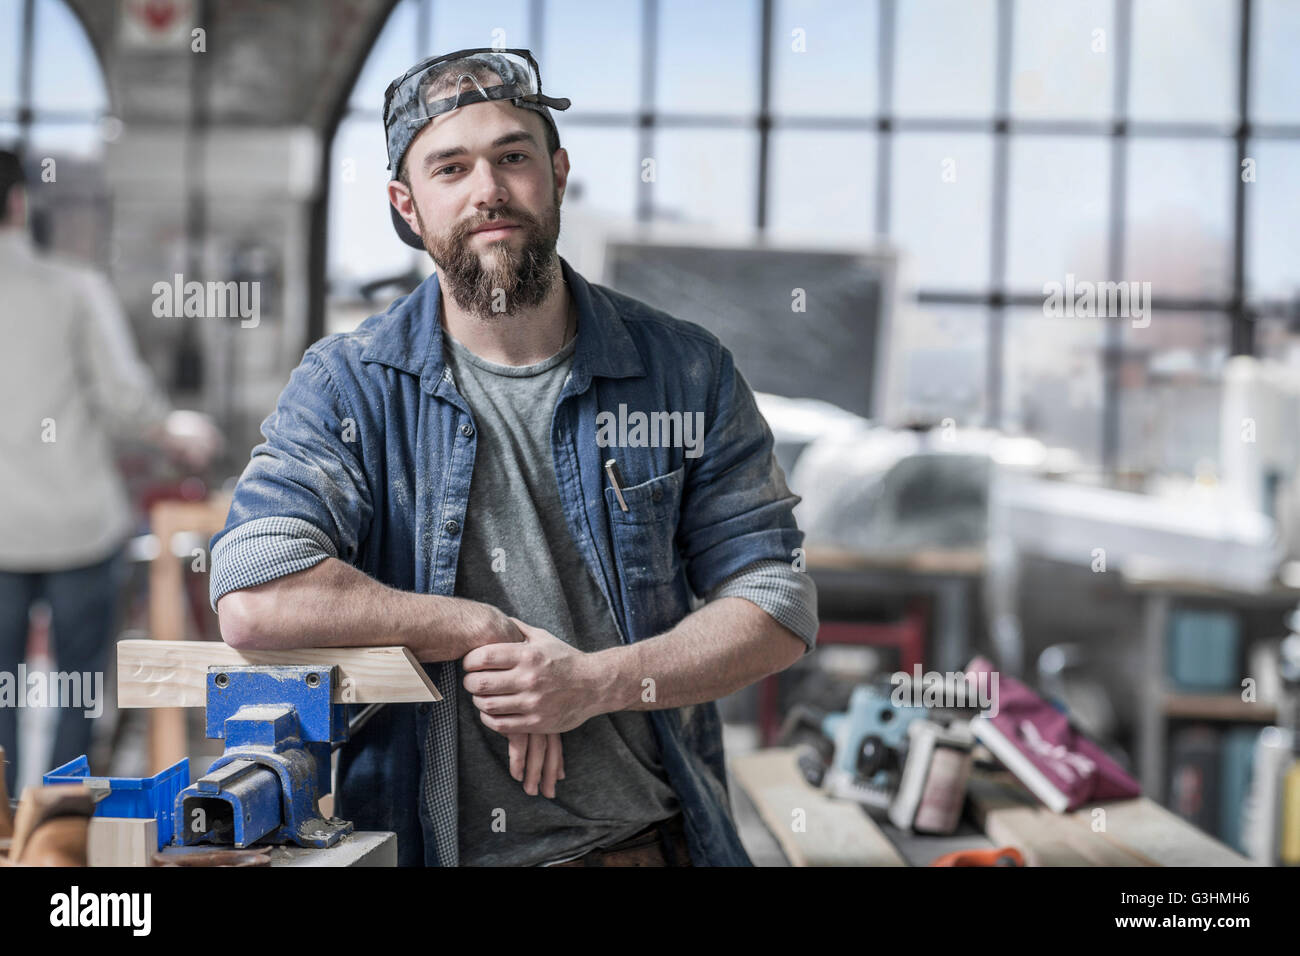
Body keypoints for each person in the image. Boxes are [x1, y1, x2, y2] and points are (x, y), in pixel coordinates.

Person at [210, 48, 818, 867]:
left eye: (513, 157)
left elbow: (777, 604)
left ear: (558, 174)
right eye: (450, 168)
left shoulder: (683, 370)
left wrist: (591, 682)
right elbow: (254, 595)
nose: (487, 189)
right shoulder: (348, 387)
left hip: (641, 849)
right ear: (407, 205)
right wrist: (474, 627)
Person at [0, 149, 220, 795]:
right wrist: (178, 431)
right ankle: (61, 825)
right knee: (75, 689)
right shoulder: (71, 287)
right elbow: (127, 405)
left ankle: (6, 829)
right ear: (19, 202)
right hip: (77, 526)